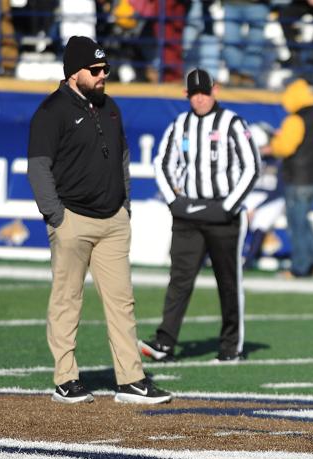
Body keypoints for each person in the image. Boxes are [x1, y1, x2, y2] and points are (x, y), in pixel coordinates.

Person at [27, 36, 172, 404]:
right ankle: (66, 379)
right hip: (72, 219)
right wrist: (56, 216)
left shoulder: (110, 107)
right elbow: (38, 168)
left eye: (105, 68)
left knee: (123, 303)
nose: (103, 74)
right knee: (67, 301)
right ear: (73, 73)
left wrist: (125, 207)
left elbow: (122, 158)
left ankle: (131, 380)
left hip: (113, 222)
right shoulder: (51, 111)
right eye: (95, 69)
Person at [139, 68, 260, 362]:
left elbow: (252, 166)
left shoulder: (232, 123)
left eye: (204, 93)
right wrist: (174, 201)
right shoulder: (180, 124)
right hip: (188, 214)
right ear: (186, 95)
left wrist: (229, 206)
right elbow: (163, 163)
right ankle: (164, 342)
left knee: (228, 281)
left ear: (214, 90)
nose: (200, 99)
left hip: (223, 215)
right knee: (179, 280)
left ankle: (231, 346)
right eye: (194, 94)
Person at [260, 78, 313, 278]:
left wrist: (273, 143)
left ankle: (300, 267)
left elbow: (285, 147)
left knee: (296, 225)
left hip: (298, 180)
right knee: (303, 223)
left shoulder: (296, 119)